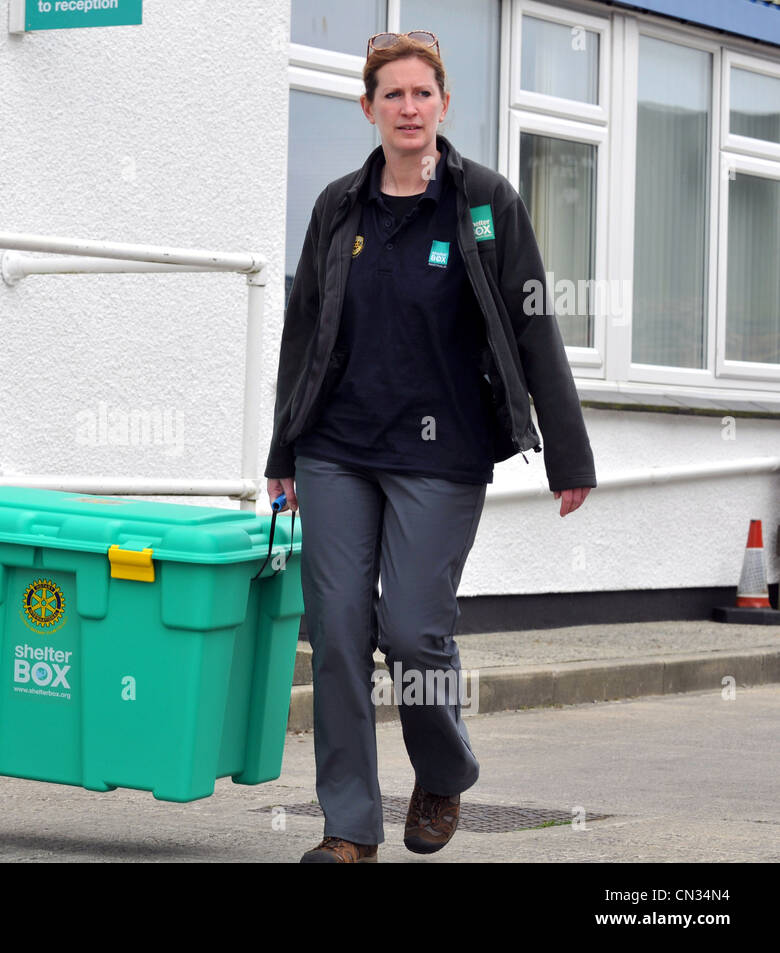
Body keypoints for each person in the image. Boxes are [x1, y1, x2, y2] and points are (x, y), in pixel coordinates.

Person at [266, 32, 595, 863]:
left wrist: (569, 451)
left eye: (423, 94)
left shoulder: (485, 203)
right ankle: (348, 828)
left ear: (444, 103)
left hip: (442, 454)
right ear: (369, 107)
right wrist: (282, 451)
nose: (408, 109)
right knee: (336, 632)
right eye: (393, 95)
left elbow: (532, 324)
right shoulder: (340, 206)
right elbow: (302, 330)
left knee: (414, 630)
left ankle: (442, 770)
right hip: (336, 447)